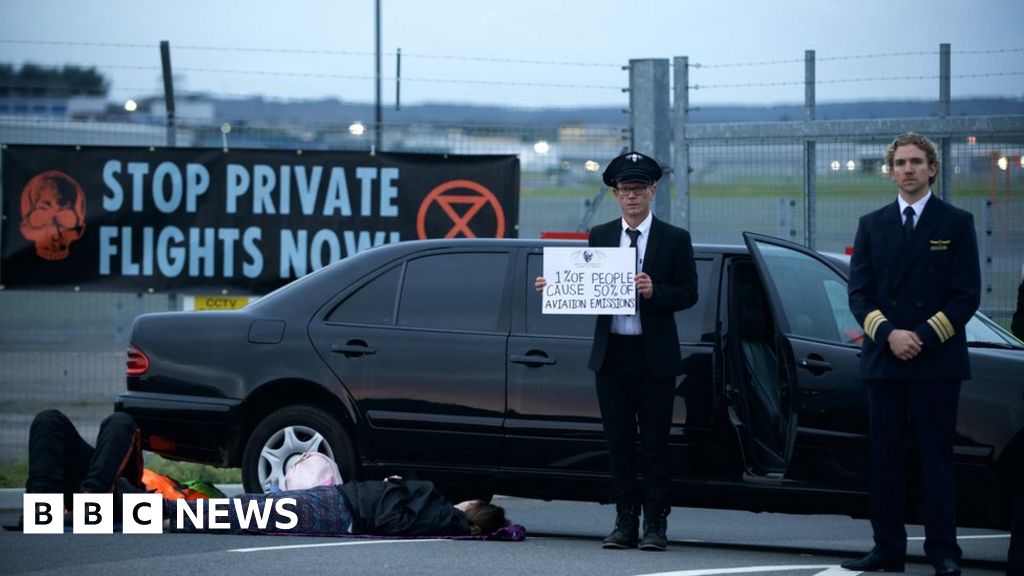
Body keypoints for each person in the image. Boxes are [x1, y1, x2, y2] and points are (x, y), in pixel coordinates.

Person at [535, 150, 699, 551]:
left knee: (656, 444)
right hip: (613, 356)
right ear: (615, 194)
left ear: (652, 192)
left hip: (654, 356)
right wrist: (555, 287)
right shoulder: (602, 235)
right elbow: (588, 285)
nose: (631, 196)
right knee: (619, 442)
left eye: (638, 189)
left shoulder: (675, 238)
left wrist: (654, 291)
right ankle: (625, 520)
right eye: (624, 190)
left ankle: (656, 524)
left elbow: (689, 293)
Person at [845, 132, 981, 576]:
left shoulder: (956, 223)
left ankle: (944, 552)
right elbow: (859, 296)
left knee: (936, 460)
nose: (908, 169)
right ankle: (887, 549)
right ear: (890, 171)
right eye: (900, 162)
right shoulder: (872, 223)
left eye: (917, 162)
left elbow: (966, 296)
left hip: (935, 361)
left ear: (933, 169)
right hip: (885, 361)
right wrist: (889, 335)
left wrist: (920, 335)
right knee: (884, 462)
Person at [167, 476, 509, 537]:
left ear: (473, 507)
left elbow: (393, 520)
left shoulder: (441, 515)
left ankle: (157, 515)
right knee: (249, 509)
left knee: (247, 511)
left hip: (339, 509)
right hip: (339, 506)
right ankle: (164, 515)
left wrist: (394, 487)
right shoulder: (440, 513)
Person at [24, 409, 144, 516]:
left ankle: (92, 498)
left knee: (120, 421)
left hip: (122, 493)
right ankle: (43, 503)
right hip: (89, 485)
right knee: (49, 419)